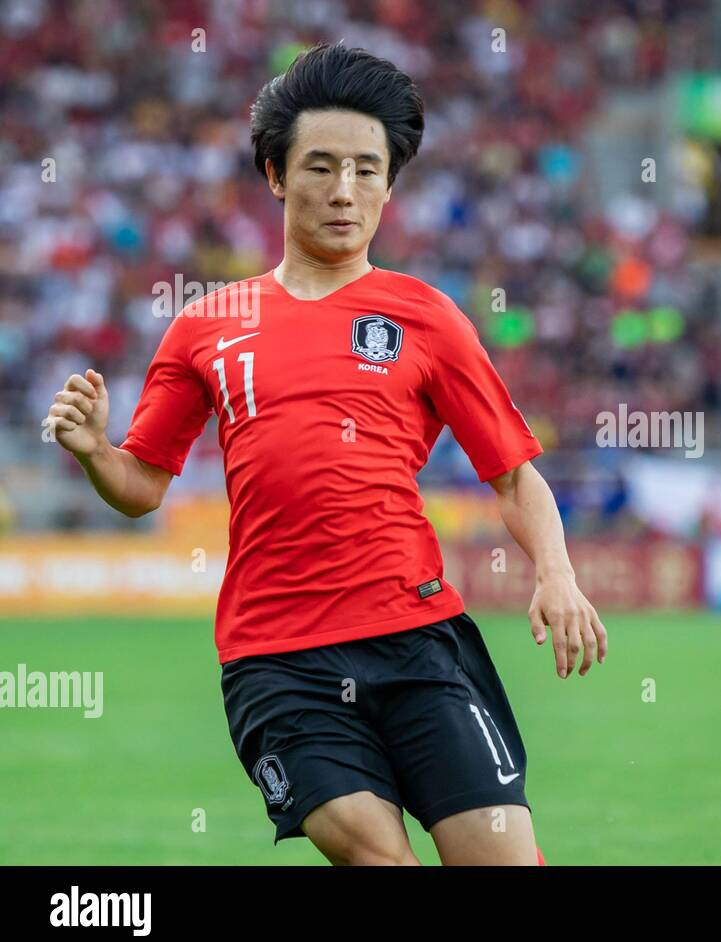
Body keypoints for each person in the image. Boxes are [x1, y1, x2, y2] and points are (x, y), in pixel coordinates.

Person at [42, 41, 606, 866]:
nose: (345, 192)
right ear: (276, 175)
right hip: (278, 658)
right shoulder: (206, 325)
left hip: (417, 639)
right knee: (379, 859)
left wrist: (556, 574)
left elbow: (513, 472)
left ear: (388, 183)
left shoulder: (428, 318)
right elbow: (143, 485)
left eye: (367, 170)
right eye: (321, 167)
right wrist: (95, 451)